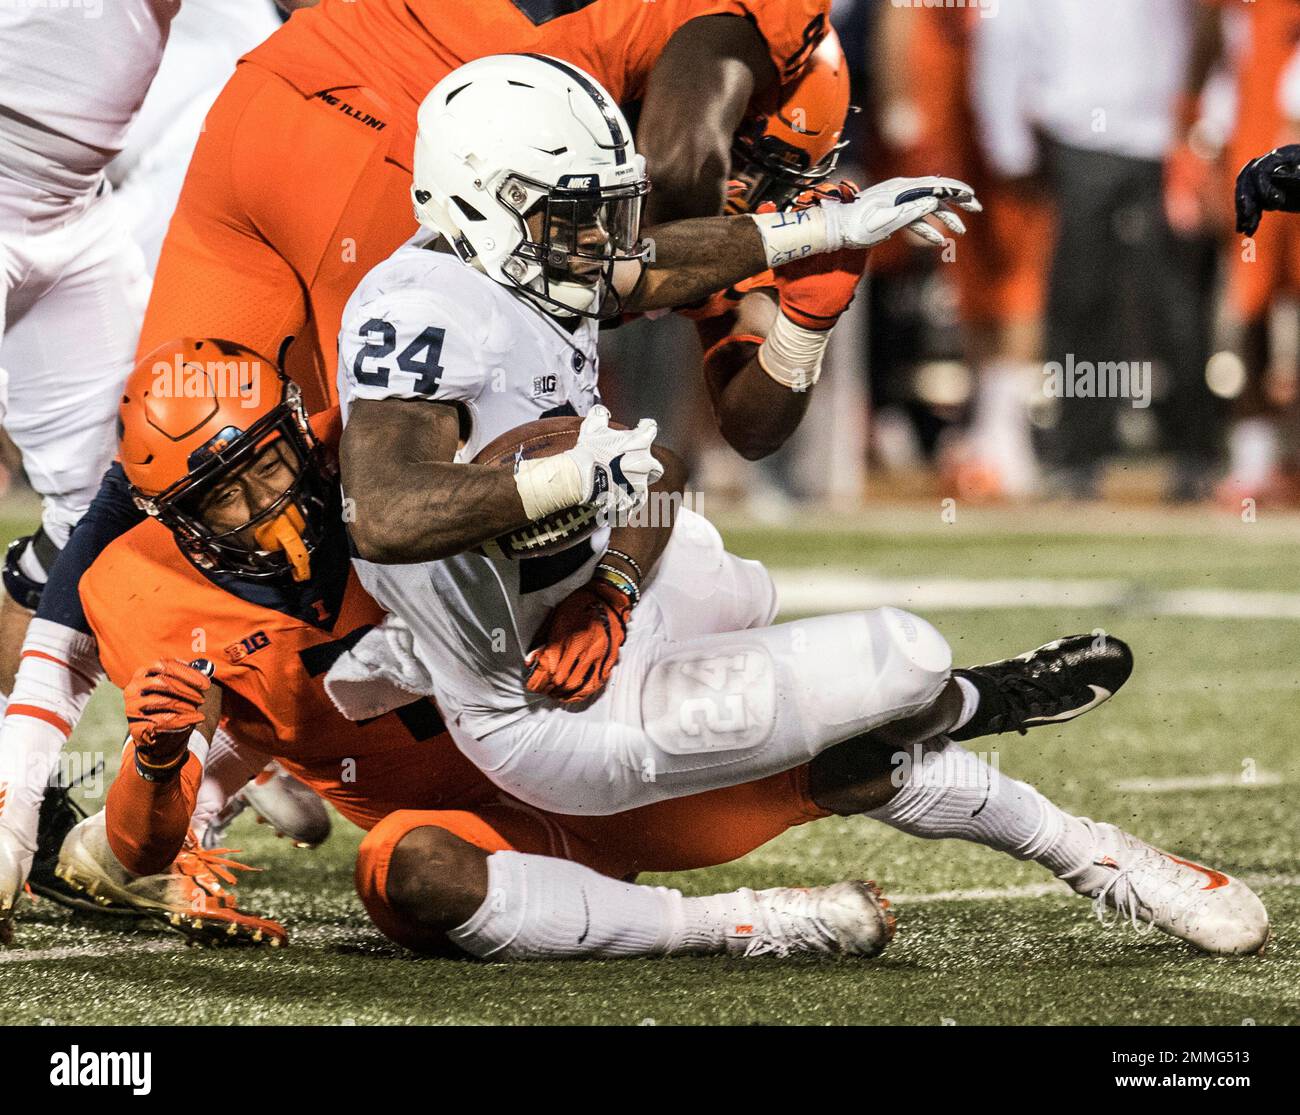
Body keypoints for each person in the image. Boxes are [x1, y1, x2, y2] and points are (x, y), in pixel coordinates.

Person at [332, 56, 1266, 957]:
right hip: (543, 703)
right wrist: (570, 480)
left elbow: (650, 274)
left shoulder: (524, 262)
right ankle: (1082, 841)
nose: (603, 241)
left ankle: (941, 712)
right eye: (573, 216)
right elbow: (384, 508)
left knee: (713, 562)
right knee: (900, 662)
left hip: (599, 592)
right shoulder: (422, 310)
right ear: (480, 202)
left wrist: (827, 230)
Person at [62, 338, 1264, 959]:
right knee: (412, 883)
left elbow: (650, 468)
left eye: (272, 457)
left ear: (299, 424)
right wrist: (166, 764)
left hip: (603, 697)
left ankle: (1092, 852)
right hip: (515, 814)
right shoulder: (147, 594)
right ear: (174, 521)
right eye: (227, 492)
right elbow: (134, 843)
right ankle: (748, 923)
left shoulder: (393, 450)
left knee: (849, 745)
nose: (271, 496)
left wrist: (613, 593)